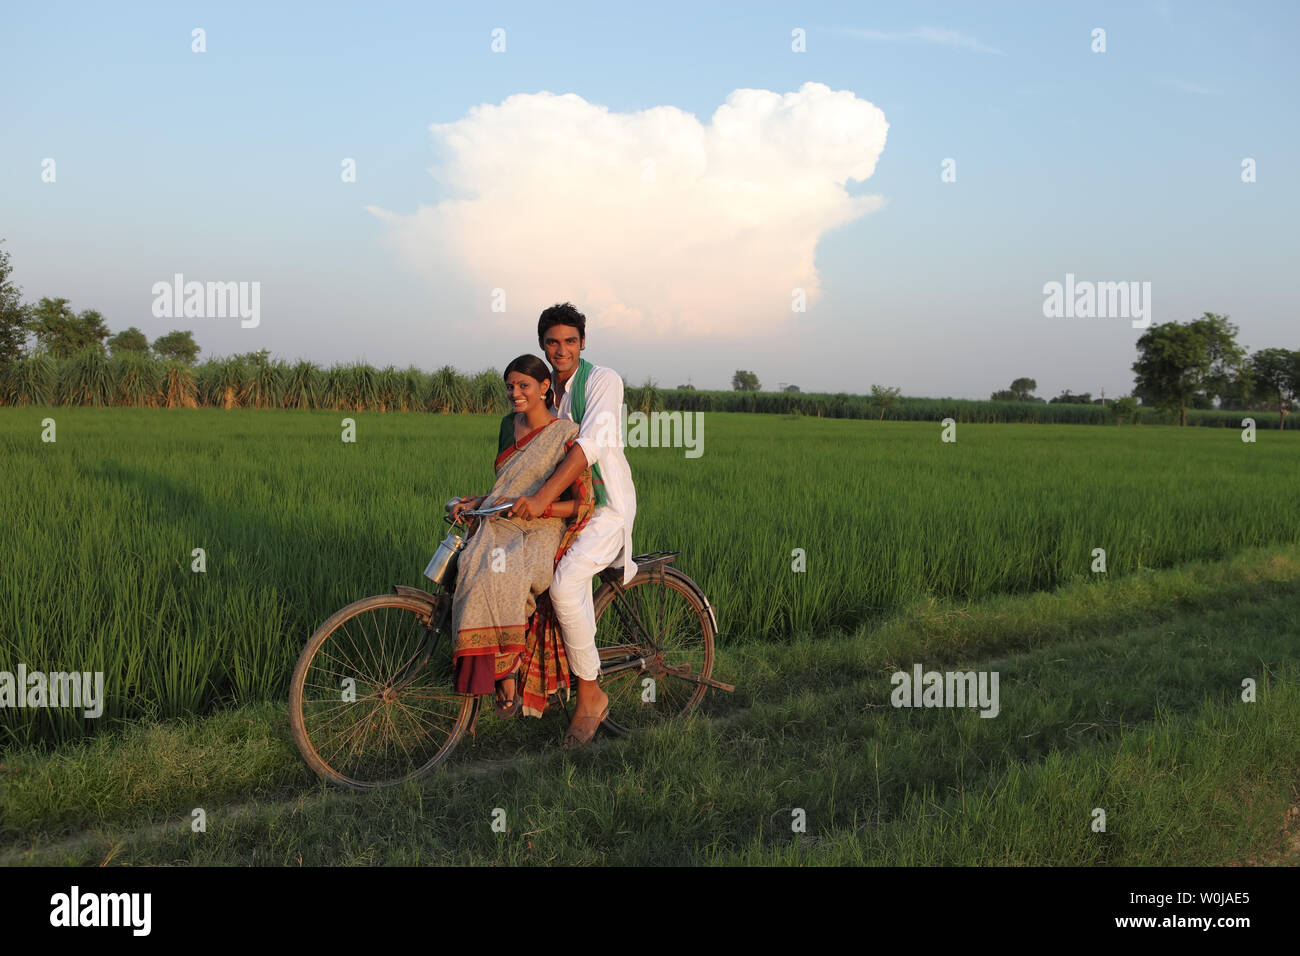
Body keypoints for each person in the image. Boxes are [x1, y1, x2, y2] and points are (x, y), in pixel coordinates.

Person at [507, 303, 638, 749]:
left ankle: (590, 696)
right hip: (563, 510)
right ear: (542, 346)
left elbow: (593, 440)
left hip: (602, 509)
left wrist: (543, 498)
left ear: (583, 343)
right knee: (522, 572)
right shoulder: (544, 394)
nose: (561, 350)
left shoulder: (603, 381)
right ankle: (522, 677)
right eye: (552, 342)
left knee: (563, 586)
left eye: (569, 341)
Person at [448, 354, 597, 719]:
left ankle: (507, 673)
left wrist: (540, 506)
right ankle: (493, 670)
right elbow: (509, 488)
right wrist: (477, 502)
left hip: (540, 530)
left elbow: (581, 505)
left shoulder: (566, 434)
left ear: (545, 388)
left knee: (501, 574)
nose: (515, 393)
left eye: (524, 386)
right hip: (502, 521)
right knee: (468, 564)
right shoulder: (506, 426)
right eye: (510, 386)